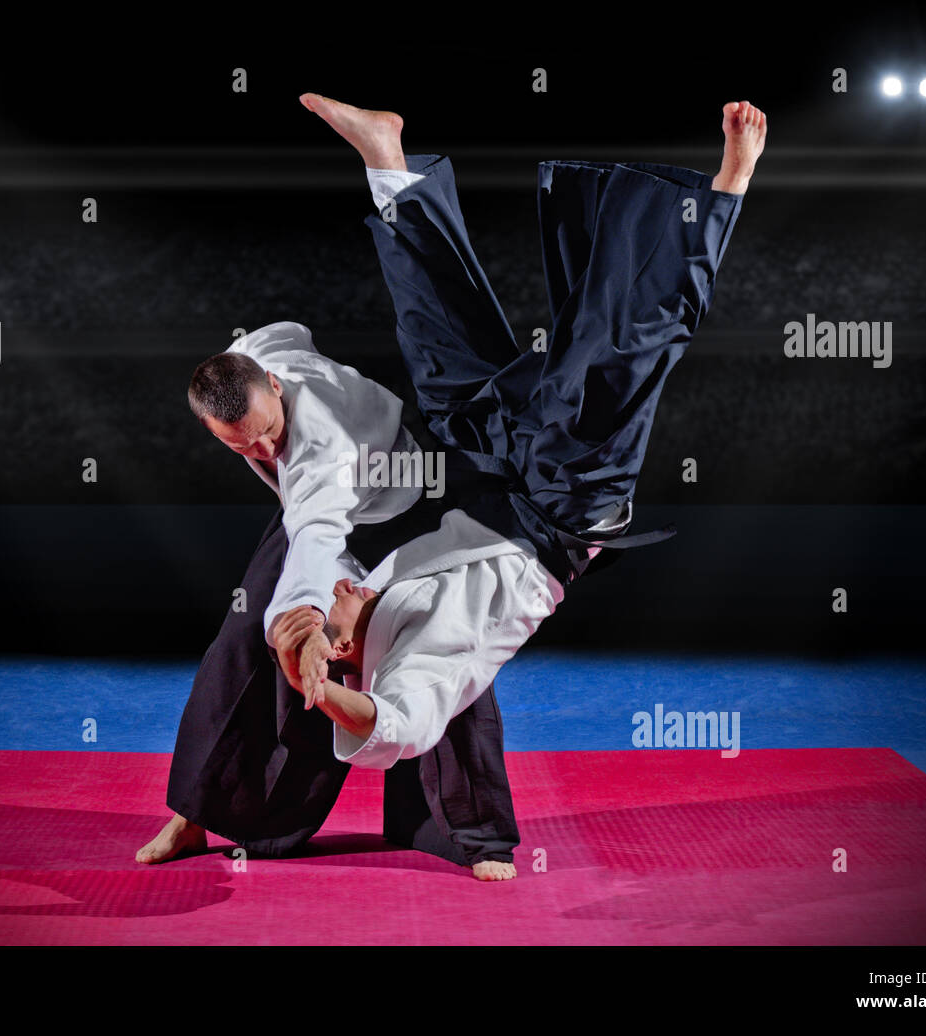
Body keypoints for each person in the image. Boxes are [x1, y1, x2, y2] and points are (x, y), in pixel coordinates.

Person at [272, 94, 765, 766]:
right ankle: (726, 191)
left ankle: (387, 163)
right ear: (345, 651)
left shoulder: (371, 590)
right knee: (622, 352)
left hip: (502, 473)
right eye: (336, 618)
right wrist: (323, 691)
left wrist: (299, 631)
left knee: (445, 365)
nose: (342, 590)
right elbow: (399, 729)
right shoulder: (415, 660)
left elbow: (320, 557)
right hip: (568, 505)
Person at [136, 323, 519, 880]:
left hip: (406, 515)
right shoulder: (257, 355)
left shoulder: (323, 446)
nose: (264, 451)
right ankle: (196, 815)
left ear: (275, 386)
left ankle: (478, 836)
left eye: (269, 432)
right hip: (315, 515)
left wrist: (306, 620)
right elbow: (292, 331)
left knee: (443, 649)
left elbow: (317, 536)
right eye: (241, 444)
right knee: (240, 644)